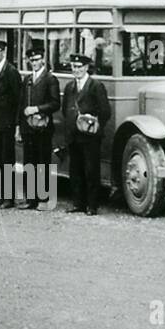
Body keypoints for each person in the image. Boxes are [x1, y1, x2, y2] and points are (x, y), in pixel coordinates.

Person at [61, 53, 111, 215]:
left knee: (91, 170)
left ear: (86, 67)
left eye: (79, 67)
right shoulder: (70, 87)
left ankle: (92, 205)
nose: (76, 70)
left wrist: (94, 123)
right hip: (74, 135)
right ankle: (78, 203)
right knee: (75, 170)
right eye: (74, 67)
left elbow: (105, 111)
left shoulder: (96, 86)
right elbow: (65, 109)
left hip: (89, 137)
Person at [20, 47, 60, 210]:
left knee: (43, 162)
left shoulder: (50, 79)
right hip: (29, 128)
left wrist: (37, 109)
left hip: (43, 128)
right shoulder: (28, 79)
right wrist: (19, 126)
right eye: (32, 60)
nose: (34, 63)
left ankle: (43, 199)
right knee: (29, 162)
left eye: (37, 60)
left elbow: (55, 103)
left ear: (43, 60)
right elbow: (22, 103)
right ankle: (30, 199)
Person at [0, 40, 22, 208]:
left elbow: (17, 100)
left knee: (7, 160)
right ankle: (0, 194)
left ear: (4, 53)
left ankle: (8, 197)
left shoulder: (11, 72)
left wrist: (16, 125)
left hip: (7, 124)